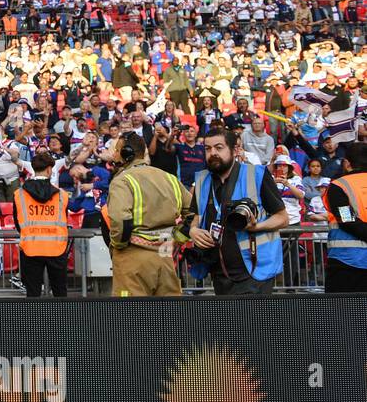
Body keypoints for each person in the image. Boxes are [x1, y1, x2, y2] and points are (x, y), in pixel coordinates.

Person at [186, 127, 288, 295]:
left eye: (219, 148)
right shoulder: (202, 179)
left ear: (235, 150)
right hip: (219, 271)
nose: (213, 153)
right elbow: (197, 216)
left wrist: (257, 227)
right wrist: (193, 230)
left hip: (255, 271)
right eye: (208, 149)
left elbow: (283, 218)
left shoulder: (257, 174)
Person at [104, 132, 191, 297]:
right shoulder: (170, 179)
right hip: (165, 257)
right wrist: (177, 239)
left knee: (132, 318)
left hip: (132, 257)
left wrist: (119, 246)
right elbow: (194, 213)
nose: (113, 154)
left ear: (126, 153)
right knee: (168, 317)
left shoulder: (122, 181)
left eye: (116, 150)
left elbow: (121, 221)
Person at [13, 151, 69, 298]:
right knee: (60, 293)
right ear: (50, 170)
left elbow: (18, 222)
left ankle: (34, 320)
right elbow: (65, 220)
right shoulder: (62, 195)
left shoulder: (19, 194)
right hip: (57, 248)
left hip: (31, 248)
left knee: (32, 294)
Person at [322, 142, 367, 292]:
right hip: (349, 261)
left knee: (342, 313)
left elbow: (346, 218)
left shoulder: (339, 186)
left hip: (346, 262)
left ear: (347, 163)